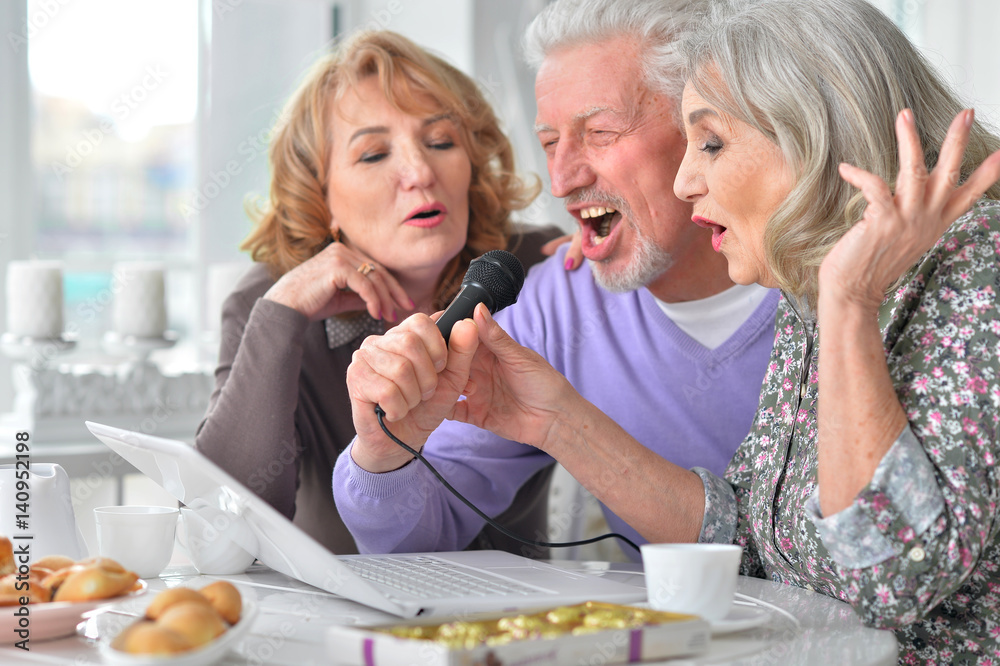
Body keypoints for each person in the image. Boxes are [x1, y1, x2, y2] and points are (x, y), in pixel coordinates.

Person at [344, 0, 1000, 659]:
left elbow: (883, 580)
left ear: (810, 131)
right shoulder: (809, 282)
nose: (562, 177)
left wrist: (846, 304)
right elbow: (757, 547)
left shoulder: (943, 274)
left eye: (709, 142)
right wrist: (552, 422)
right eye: (548, 143)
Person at [333, 0, 779, 560]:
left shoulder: (840, 281)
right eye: (549, 142)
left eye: (600, 132)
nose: (562, 178)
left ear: (706, 130)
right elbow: (416, 535)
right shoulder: (556, 304)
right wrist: (381, 452)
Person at [195, 30, 564, 555]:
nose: (419, 173)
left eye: (441, 142)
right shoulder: (271, 301)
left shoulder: (536, 269)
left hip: (517, 621)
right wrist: (280, 317)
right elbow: (222, 524)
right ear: (320, 198)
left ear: (473, 166)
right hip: (340, 622)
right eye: (373, 155)